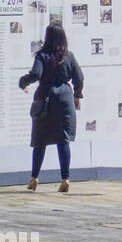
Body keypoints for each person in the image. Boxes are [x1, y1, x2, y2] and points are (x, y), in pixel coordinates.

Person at [19, 24, 84, 193]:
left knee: (40, 141)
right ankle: (65, 179)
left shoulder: (42, 56)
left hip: (45, 99)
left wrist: (23, 81)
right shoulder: (69, 56)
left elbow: (36, 74)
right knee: (63, 140)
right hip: (65, 100)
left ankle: (34, 178)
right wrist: (77, 95)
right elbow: (79, 77)